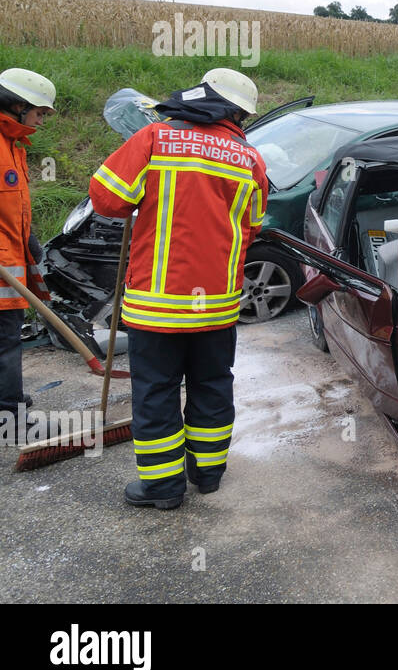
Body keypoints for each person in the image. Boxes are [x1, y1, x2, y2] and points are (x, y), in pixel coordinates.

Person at [89, 68, 268, 510]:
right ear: (236, 114)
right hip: (218, 307)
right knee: (212, 384)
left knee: (156, 392)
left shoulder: (154, 138)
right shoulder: (250, 158)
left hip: (156, 307)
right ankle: (207, 475)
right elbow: (253, 226)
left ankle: (163, 488)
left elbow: (106, 199)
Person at [0, 69, 56, 424]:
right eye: (38, 113)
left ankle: (9, 399)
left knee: (6, 335)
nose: (40, 121)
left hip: (10, 256)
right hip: (3, 263)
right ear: (18, 105)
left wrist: (30, 242)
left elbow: (12, 204)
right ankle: (8, 413)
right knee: (6, 340)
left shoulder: (12, 145)